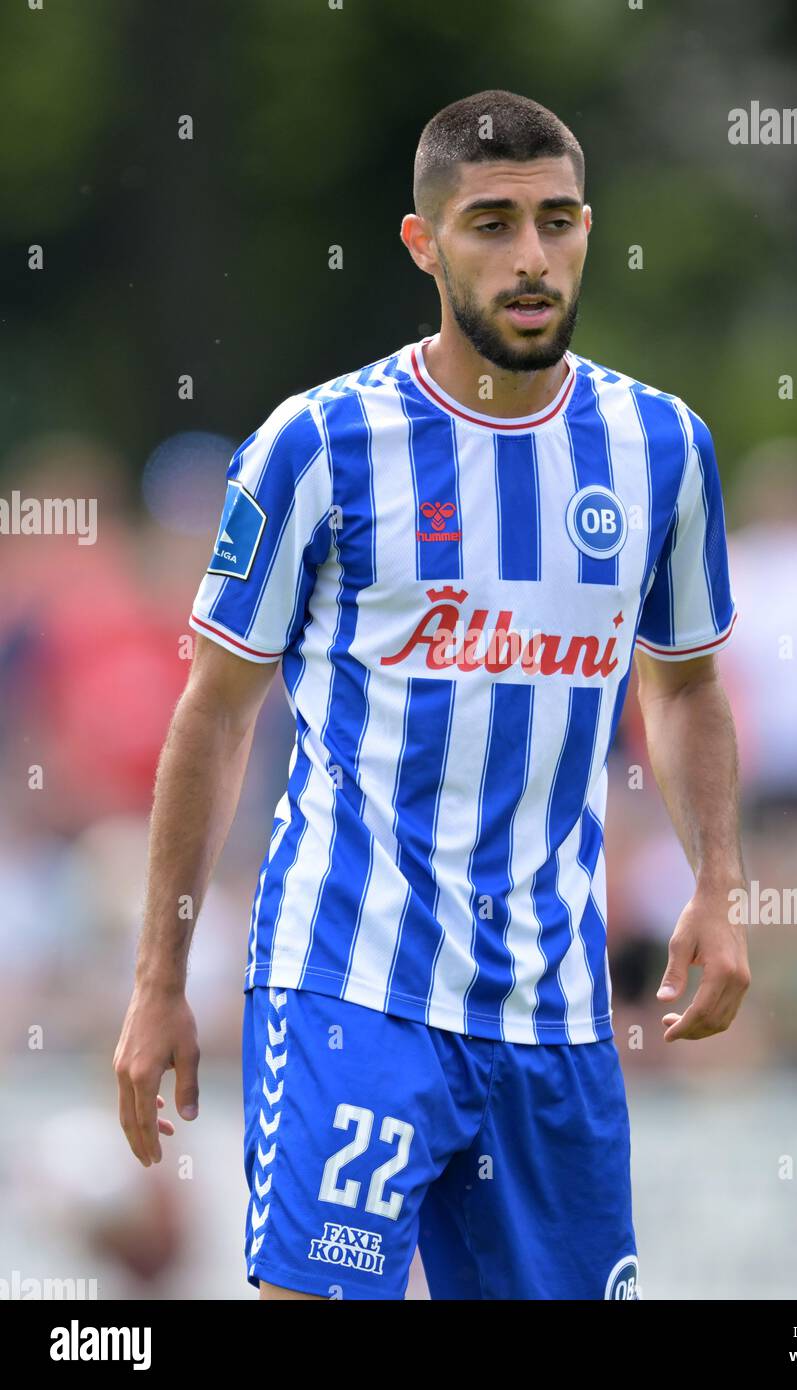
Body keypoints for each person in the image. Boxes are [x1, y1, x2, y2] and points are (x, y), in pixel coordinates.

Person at [114, 89, 750, 1301]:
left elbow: (684, 685)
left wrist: (718, 886)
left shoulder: (661, 447)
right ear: (422, 243)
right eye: (491, 223)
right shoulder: (317, 444)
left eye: (556, 222)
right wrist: (157, 984)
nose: (530, 257)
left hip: (553, 1011)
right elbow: (216, 712)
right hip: (353, 977)